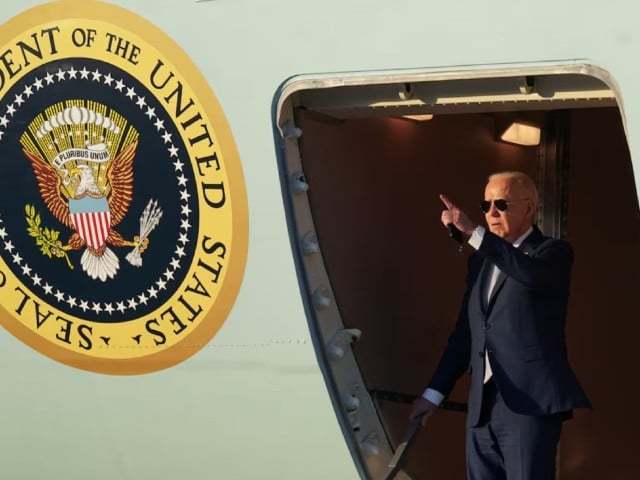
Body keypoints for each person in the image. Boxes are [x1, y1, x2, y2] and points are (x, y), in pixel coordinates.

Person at [410, 171, 590, 480]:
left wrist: (475, 233)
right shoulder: (479, 262)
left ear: (529, 208)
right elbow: (466, 334)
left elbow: (529, 274)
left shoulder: (553, 253)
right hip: (482, 406)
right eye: (486, 204)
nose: (492, 213)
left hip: (528, 404)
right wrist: (433, 394)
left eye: (501, 205)